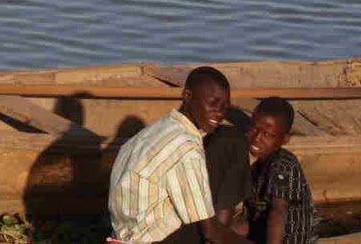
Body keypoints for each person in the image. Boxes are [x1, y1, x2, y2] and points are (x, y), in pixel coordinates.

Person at [109, 66, 252, 244]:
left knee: (226, 138)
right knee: (233, 139)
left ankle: (224, 225)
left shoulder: (157, 129)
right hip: (154, 241)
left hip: (124, 235)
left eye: (225, 107)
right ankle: (224, 226)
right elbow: (209, 232)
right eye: (213, 103)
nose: (220, 113)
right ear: (187, 95)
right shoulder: (186, 147)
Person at [245, 98, 314, 244]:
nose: (257, 138)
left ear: (284, 139)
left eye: (268, 135)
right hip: (262, 232)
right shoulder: (257, 167)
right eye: (254, 129)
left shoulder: (285, 164)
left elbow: (278, 212)